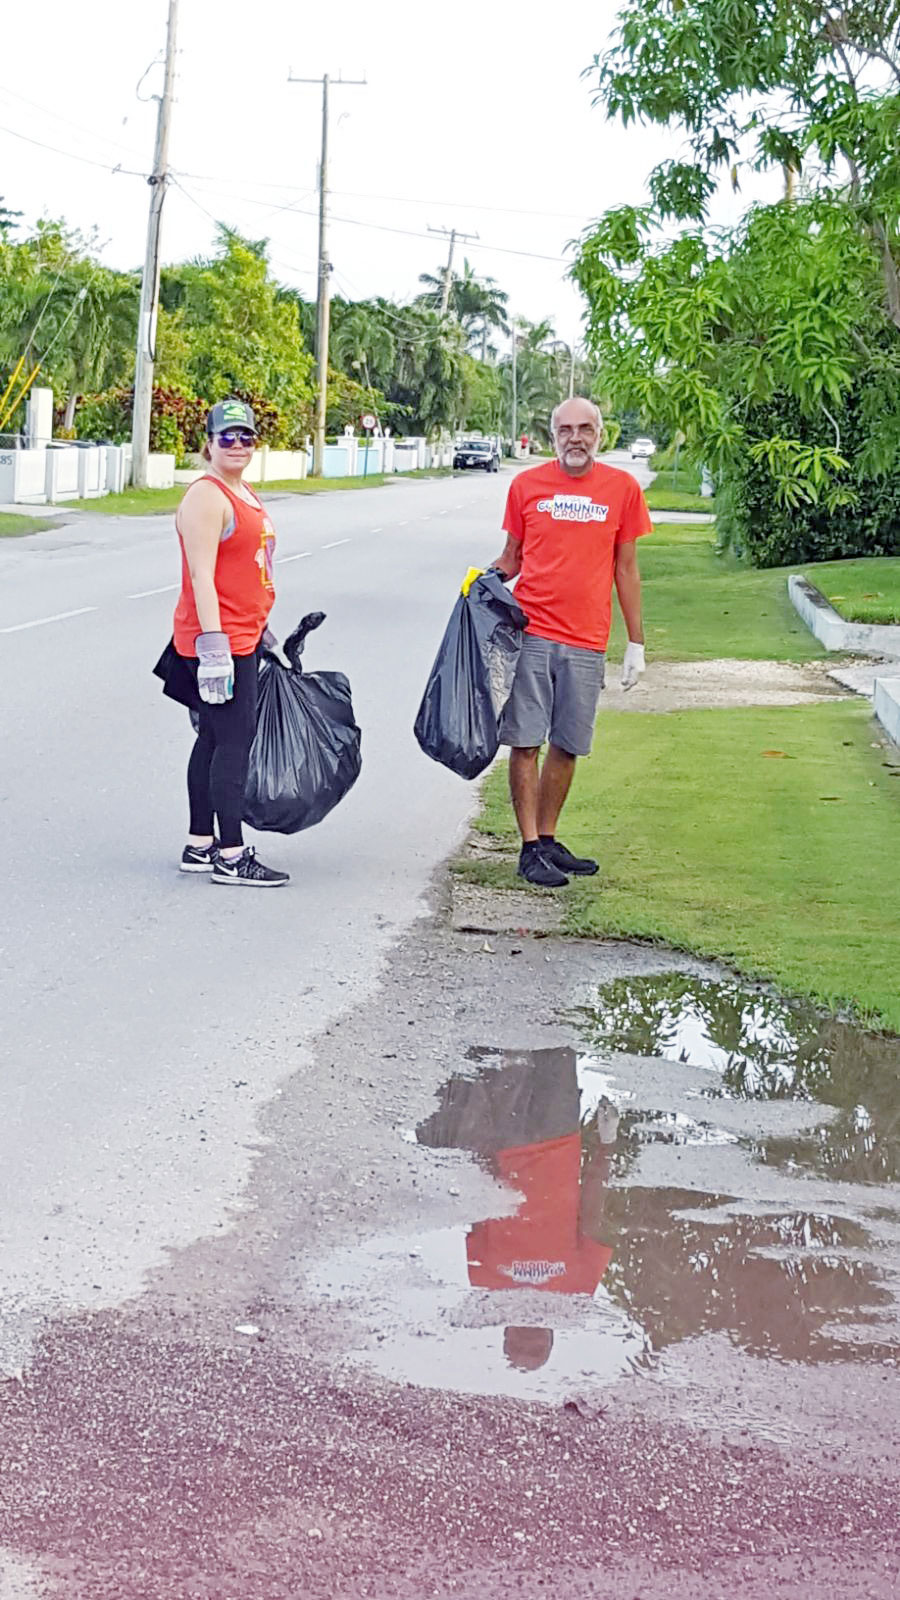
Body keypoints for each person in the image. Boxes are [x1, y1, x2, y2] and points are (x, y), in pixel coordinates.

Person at [473, 396, 651, 887]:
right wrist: (484, 582)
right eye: (566, 430)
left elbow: (626, 569)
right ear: (552, 437)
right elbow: (512, 556)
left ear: (600, 435)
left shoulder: (622, 489)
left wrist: (636, 643)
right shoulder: (526, 486)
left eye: (585, 429)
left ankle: (548, 839)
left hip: (587, 640)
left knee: (568, 745)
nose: (576, 438)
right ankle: (529, 848)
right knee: (526, 741)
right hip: (531, 634)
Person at [170, 398, 289, 887]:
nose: (237, 444)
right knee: (234, 743)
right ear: (210, 443)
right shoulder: (207, 496)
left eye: (245, 436)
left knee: (214, 739)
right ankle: (232, 855)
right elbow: (201, 576)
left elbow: (247, 568)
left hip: (244, 633)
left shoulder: (242, 491)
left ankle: (200, 844)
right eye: (227, 437)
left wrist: (265, 630)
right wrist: (215, 649)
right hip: (220, 641)